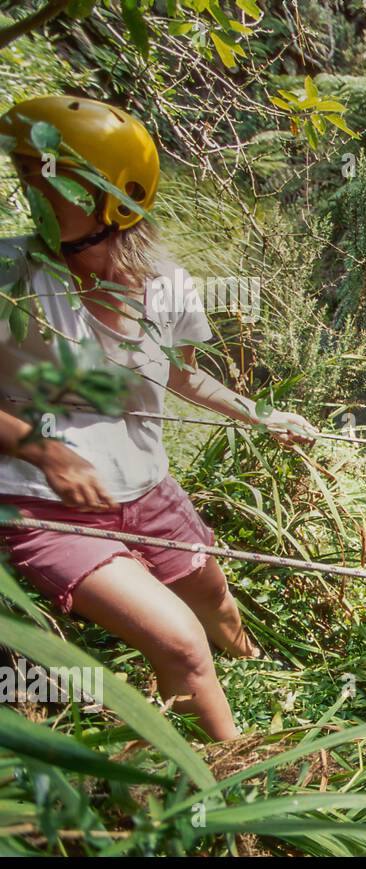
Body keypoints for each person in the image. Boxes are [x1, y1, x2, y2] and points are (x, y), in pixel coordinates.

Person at [0, 96, 315, 741]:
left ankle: (260, 678)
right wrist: (44, 451)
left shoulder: (165, 281)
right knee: (181, 645)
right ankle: (239, 792)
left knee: (216, 604)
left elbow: (179, 372)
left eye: (46, 173)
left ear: (108, 196)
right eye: (26, 170)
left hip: (148, 490)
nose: (28, 186)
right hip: (46, 507)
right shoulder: (10, 274)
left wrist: (258, 415)